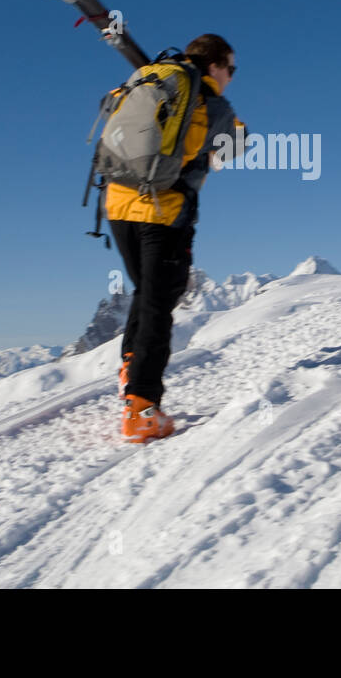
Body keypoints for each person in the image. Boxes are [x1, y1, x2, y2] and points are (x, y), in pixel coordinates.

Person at [107, 34, 243, 443]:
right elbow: (231, 150)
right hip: (161, 211)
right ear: (215, 65)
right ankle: (142, 408)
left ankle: (131, 366)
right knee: (159, 303)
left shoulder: (148, 79)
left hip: (115, 204)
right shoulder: (213, 104)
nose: (232, 77)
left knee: (147, 293)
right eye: (231, 69)